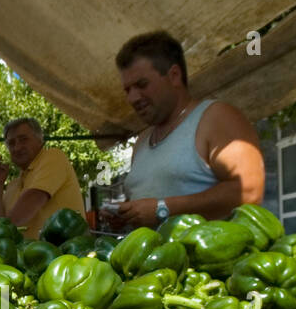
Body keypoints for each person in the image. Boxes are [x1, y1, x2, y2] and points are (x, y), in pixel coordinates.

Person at [114, 30, 266, 227]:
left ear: (174, 76)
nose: (132, 98)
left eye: (141, 84)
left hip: (211, 256)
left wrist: (163, 208)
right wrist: (126, 213)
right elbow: (152, 201)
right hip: (156, 257)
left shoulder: (216, 117)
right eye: (127, 90)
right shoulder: (142, 140)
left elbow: (249, 191)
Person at [0, 117, 86, 240]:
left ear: (40, 140)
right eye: (11, 143)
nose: (17, 147)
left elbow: (33, 199)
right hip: (29, 256)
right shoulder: (13, 184)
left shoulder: (53, 157)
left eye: (23, 139)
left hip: (66, 255)